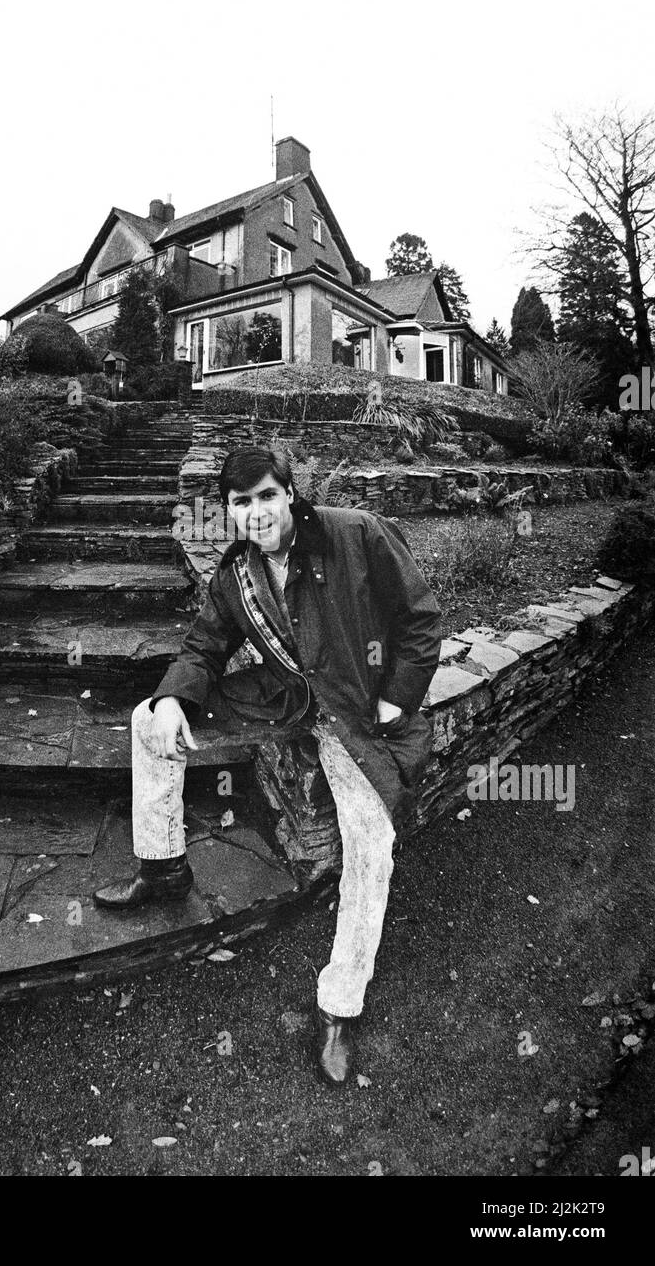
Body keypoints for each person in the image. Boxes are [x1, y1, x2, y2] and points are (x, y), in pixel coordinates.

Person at [95, 445, 442, 1086]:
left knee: (371, 842)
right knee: (149, 719)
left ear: (289, 493)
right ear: (228, 511)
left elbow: (420, 620)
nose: (255, 513)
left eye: (266, 496)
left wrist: (394, 701)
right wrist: (175, 697)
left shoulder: (354, 532)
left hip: (355, 711)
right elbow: (205, 644)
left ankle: (340, 1005)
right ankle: (164, 866)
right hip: (283, 697)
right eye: (240, 502)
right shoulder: (236, 575)